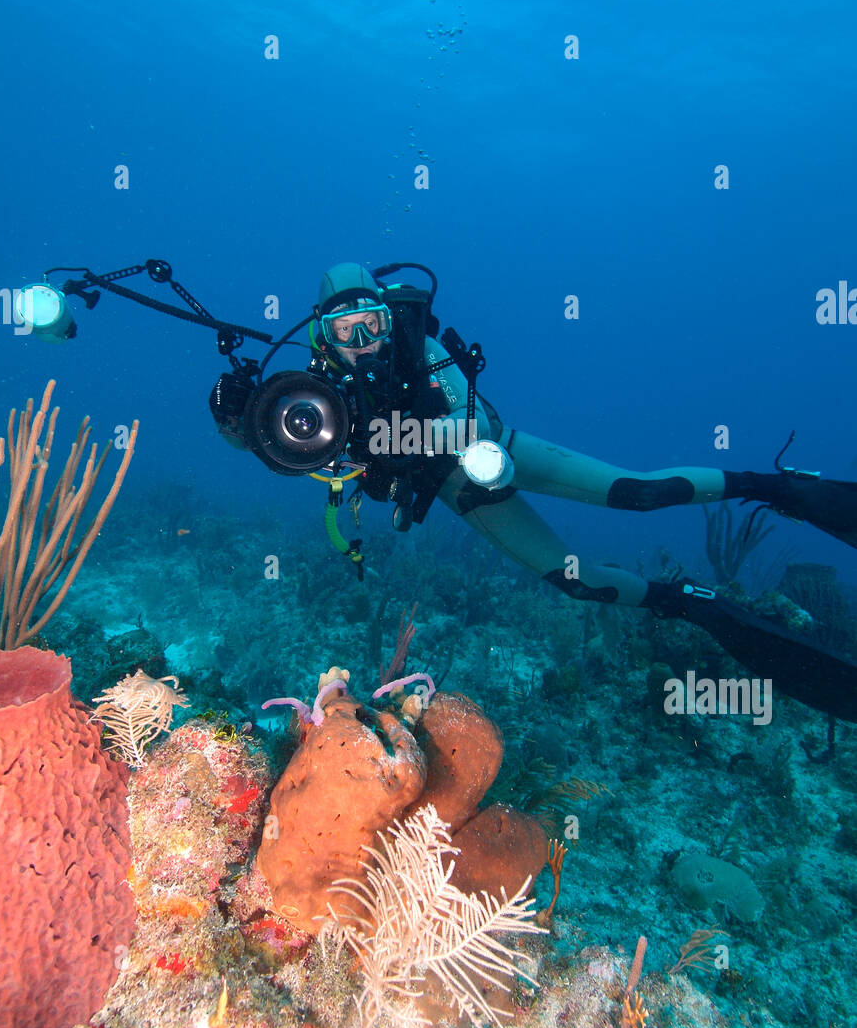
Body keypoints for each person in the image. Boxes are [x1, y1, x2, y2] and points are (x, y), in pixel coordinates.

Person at [228, 261, 857, 726]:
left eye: (371, 324)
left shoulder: (417, 351)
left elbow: (476, 426)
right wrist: (236, 417)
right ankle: (686, 601)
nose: (363, 342)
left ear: (389, 320)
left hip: (493, 453)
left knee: (635, 491)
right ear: (322, 337)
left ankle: (766, 484)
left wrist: (394, 436)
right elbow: (276, 441)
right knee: (573, 582)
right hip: (456, 488)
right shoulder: (310, 390)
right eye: (346, 330)